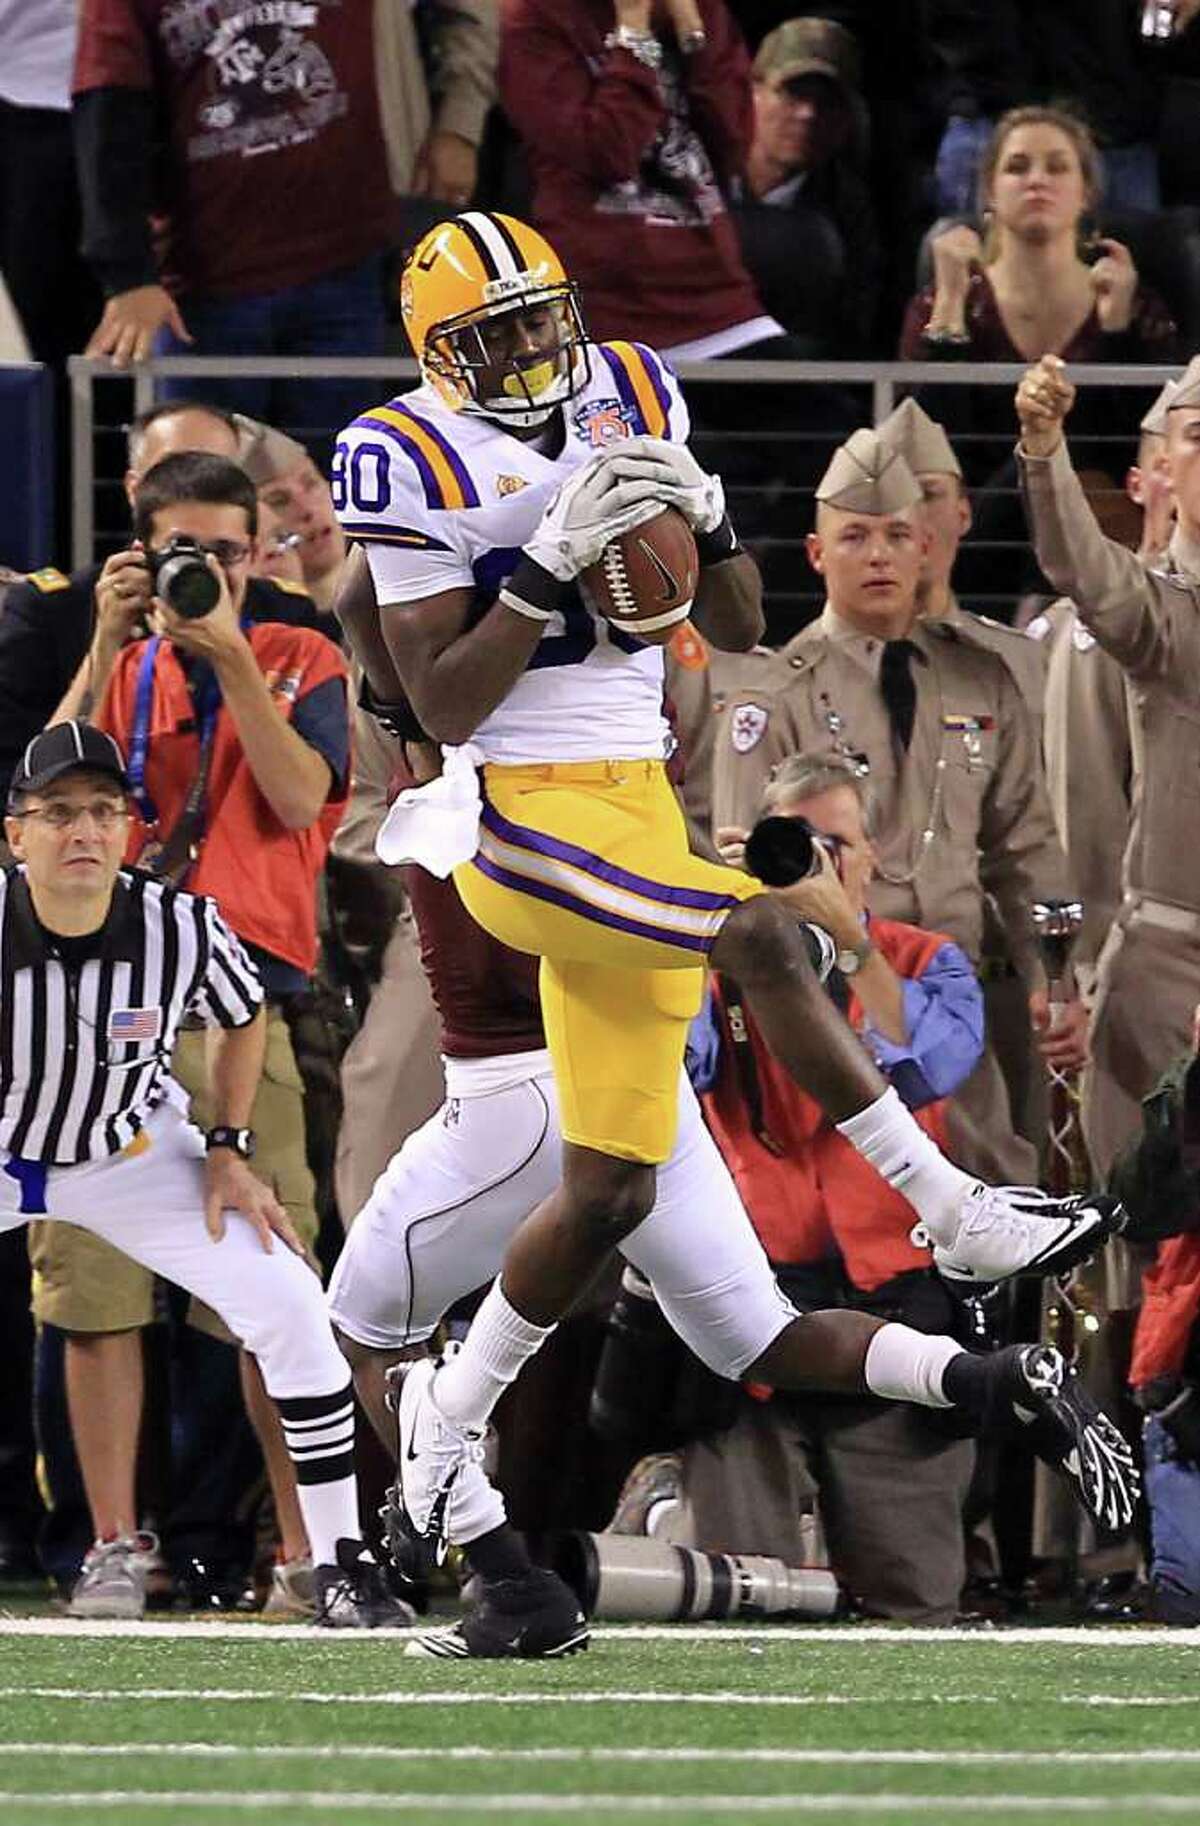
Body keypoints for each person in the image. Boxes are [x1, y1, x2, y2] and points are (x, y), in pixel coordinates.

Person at [332, 209, 1133, 1653]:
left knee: (615, 1191)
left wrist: (700, 522)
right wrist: (542, 564)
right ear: (437, 351)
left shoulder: (630, 387)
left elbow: (747, 620)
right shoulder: (403, 455)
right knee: (767, 928)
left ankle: (450, 1434)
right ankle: (950, 1206)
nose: (528, 352)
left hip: (637, 792)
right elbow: (445, 702)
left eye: (537, 322)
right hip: (517, 815)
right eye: (494, 335)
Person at [0, 720, 409, 1627]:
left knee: (294, 1305)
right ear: (13, 833)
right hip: (5, 1141)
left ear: (131, 831)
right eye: (58, 813)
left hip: (127, 1153)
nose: (84, 833)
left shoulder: (177, 924)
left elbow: (240, 1010)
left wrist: (227, 1147)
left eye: (105, 812)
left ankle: (336, 1562)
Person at [43, 452, 350, 1617]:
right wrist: (104, 647)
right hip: (93, 1008)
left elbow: (293, 794)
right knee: (96, 1286)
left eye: (224, 550)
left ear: (258, 553)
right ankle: (116, 1541)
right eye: (180, 550)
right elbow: (38, 803)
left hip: (245, 1006)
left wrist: (225, 648)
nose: (204, 570)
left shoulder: (302, 655)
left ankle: (301, 1548)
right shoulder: (120, 669)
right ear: (137, 550)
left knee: (268, 1284)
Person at [712, 424, 1070, 1186]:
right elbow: (743, 871)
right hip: (830, 1004)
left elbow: (1023, 847)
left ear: (926, 548)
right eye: (855, 537)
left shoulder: (983, 681)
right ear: (816, 554)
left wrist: (1051, 971)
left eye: (897, 535)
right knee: (844, 1208)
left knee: (998, 1179)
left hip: (957, 989)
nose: (878, 554)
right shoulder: (771, 697)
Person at [678, 751, 984, 1623]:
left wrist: (846, 943)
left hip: (896, 1313)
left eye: (833, 844)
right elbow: (682, 1064)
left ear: (875, 854)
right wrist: (712, 919)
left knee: (914, 1600)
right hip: (751, 1319)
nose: (814, 863)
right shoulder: (713, 968)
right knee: (742, 1602)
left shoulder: (925, 960)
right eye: (792, 845)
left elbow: (926, 1064)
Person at [1016, 350, 1200, 1178]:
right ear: (1162, 468)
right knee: (1152, 1245)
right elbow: (1082, 570)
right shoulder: (1161, 616)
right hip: (1168, 966)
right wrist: (1046, 450)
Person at [71, 0, 398, 434]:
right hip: (209, 287)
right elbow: (108, 115)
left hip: (343, 264)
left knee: (334, 482)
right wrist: (129, 274)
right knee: (208, 482)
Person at [0, 399, 327, 806]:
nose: (197, 484)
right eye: (175, 470)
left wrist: (230, 651)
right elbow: (21, 799)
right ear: (135, 491)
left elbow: (310, 805)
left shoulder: (285, 616)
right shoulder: (54, 611)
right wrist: (104, 645)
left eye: (220, 470)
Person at [498, 0, 788, 359]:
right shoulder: (535, 20)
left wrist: (695, 36)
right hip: (609, 314)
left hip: (719, 303)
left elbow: (732, 145)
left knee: (839, 411)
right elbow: (607, 151)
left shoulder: (703, 11)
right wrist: (634, 30)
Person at [901, 106, 1177, 366]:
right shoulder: (941, 302)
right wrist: (949, 307)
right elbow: (919, 416)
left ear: (1086, 192)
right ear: (990, 192)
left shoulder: (1137, 308)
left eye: (1057, 168)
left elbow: (1152, 416)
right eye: (1017, 167)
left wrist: (1116, 331)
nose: (1037, 181)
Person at [732, 18, 881, 353]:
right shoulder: (696, 184)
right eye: (792, 94)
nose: (808, 114)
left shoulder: (852, 212)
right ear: (751, 93)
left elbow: (852, 330)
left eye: (827, 102)